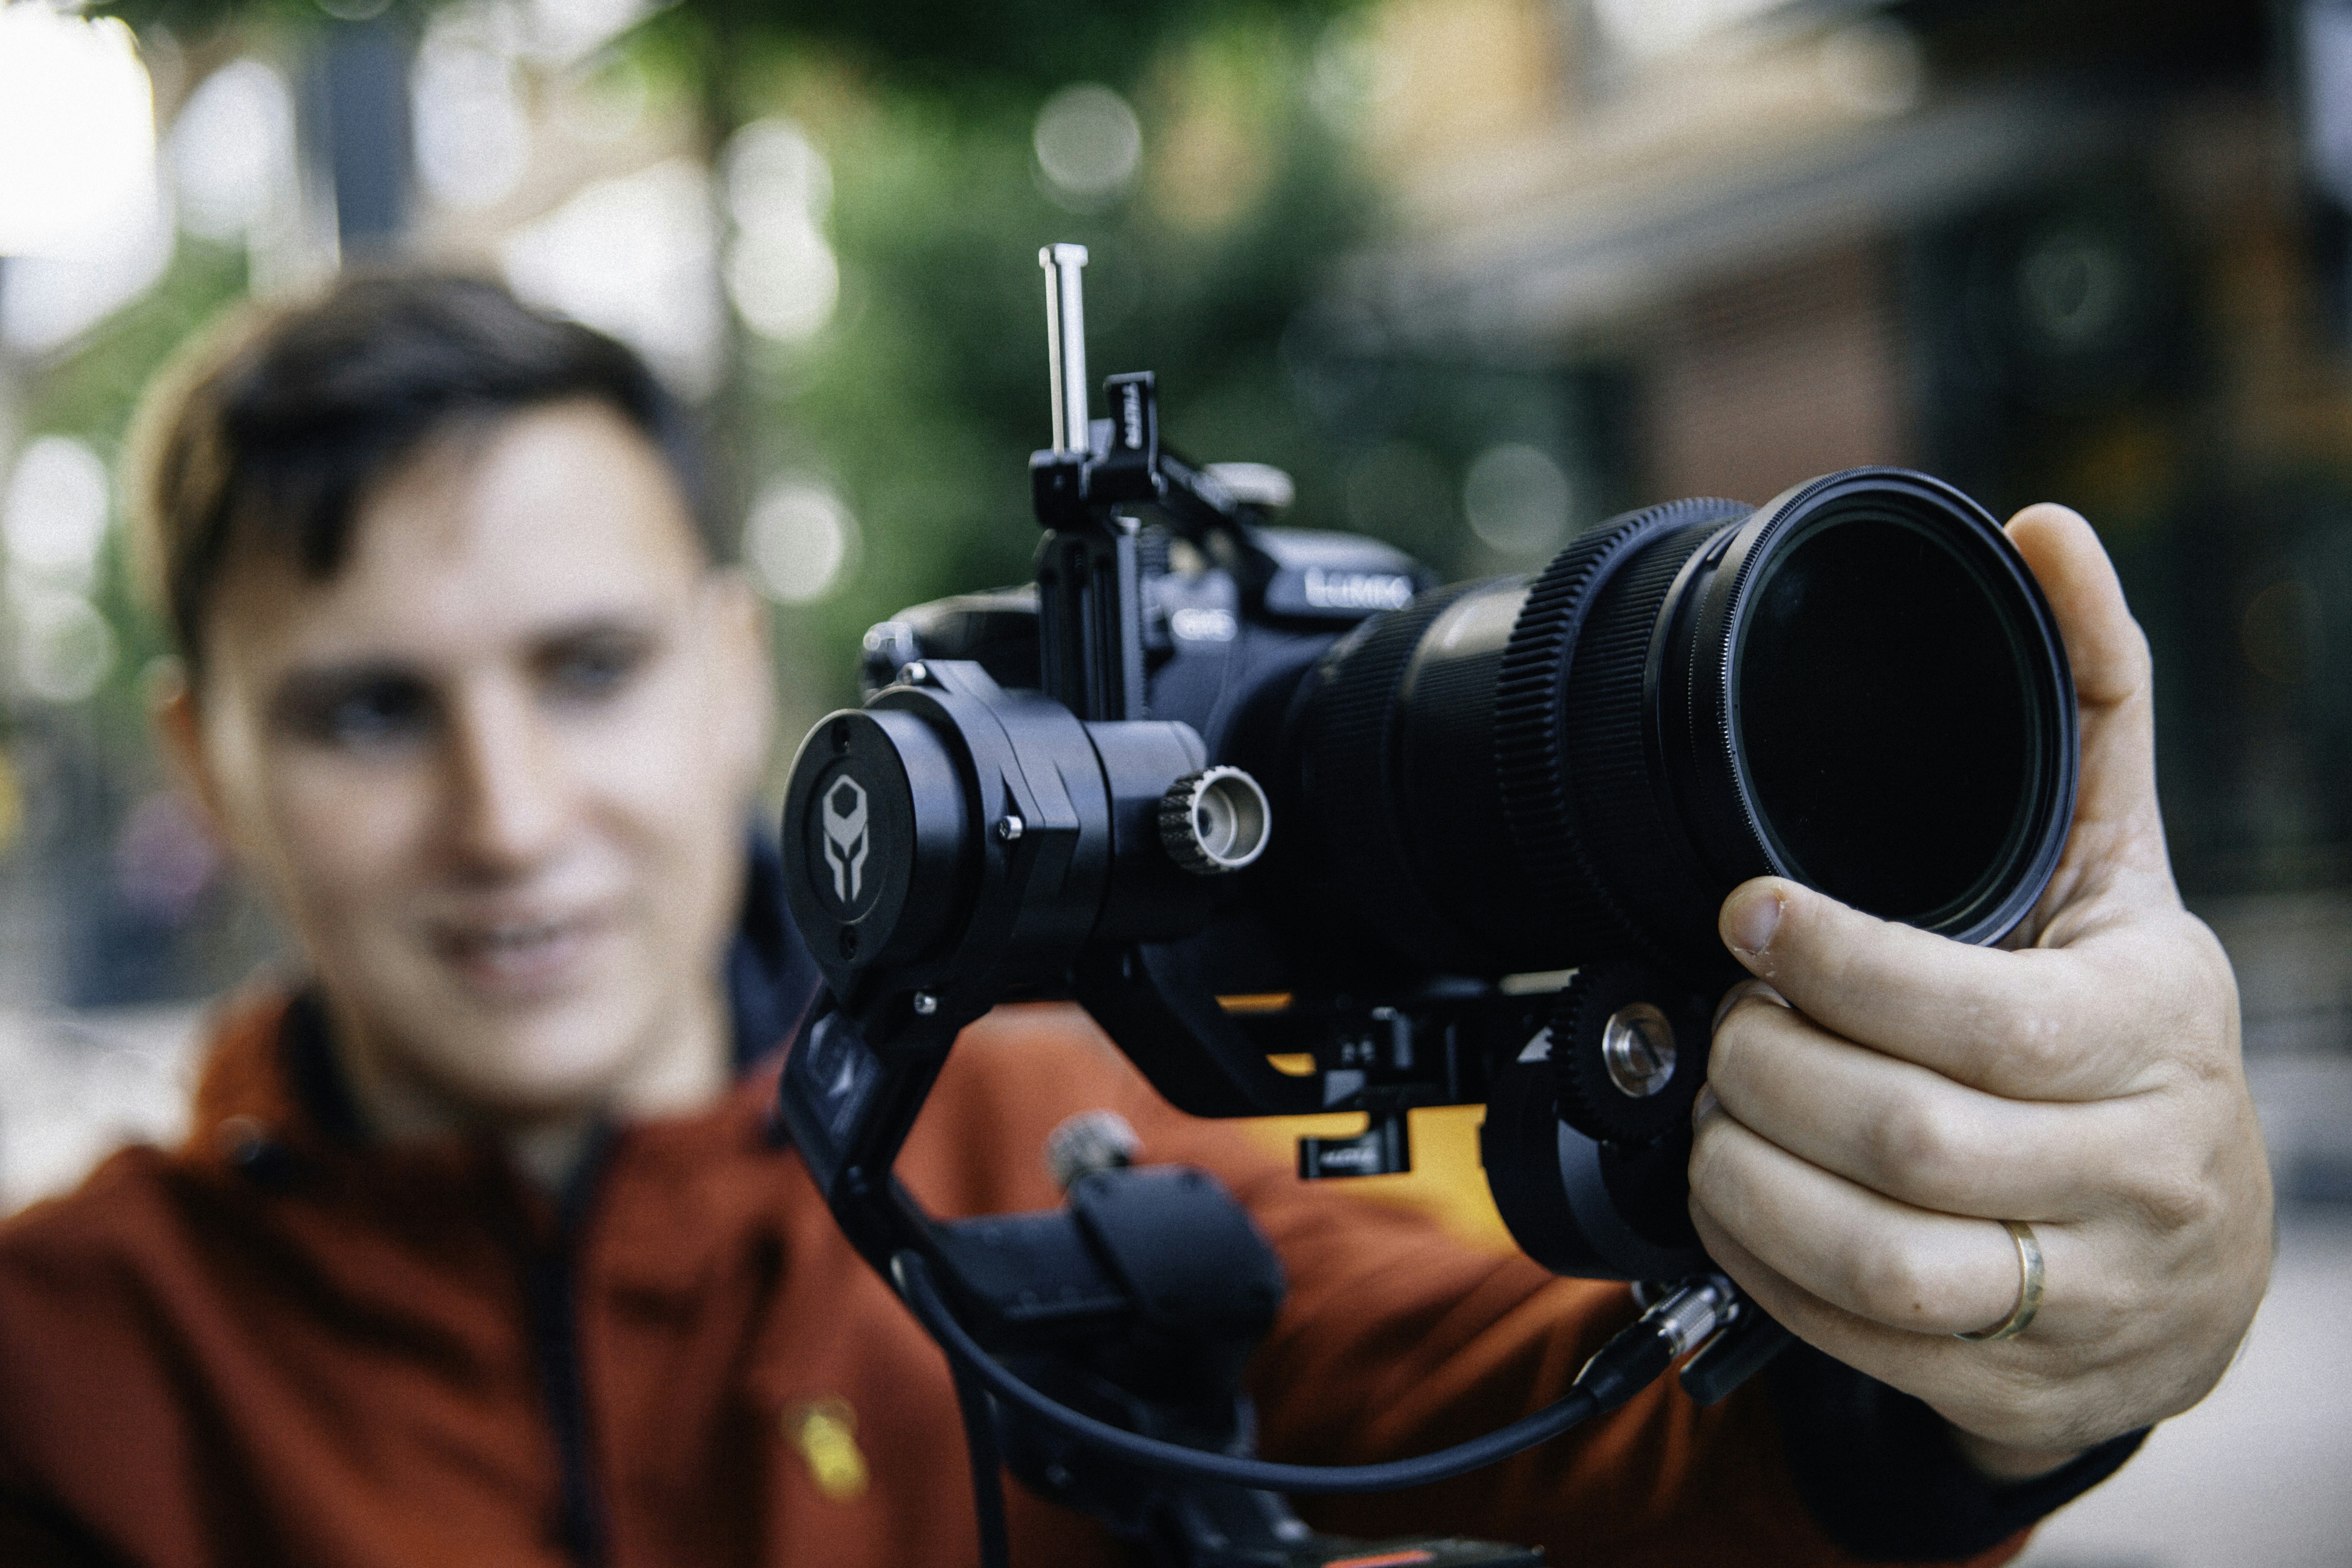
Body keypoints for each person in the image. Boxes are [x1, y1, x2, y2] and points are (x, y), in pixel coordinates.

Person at [0, 273, 2271, 1567]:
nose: (508, 817)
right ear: (209, 769)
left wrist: (2015, 1355)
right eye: (376, 711)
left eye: (585, 671)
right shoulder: (72, 1357)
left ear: (720, 672)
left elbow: (1628, 1435)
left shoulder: (1074, 1134)